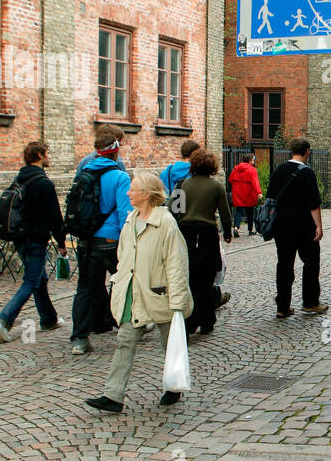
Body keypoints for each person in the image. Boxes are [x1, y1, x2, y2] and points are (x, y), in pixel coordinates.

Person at [84, 172, 192, 413]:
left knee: (169, 344)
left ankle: (173, 387)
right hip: (133, 292)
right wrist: (120, 280)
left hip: (160, 293)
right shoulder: (131, 219)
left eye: (132, 189)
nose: (128, 193)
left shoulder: (165, 222)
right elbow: (123, 254)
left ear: (146, 194)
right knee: (124, 341)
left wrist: (177, 301)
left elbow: (177, 263)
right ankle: (113, 395)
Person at [0, 142, 67, 343]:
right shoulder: (43, 183)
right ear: (41, 156)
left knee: (39, 278)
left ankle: (49, 319)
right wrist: (62, 241)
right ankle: (3, 320)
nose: (49, 157)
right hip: (35, 238)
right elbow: (54, 216)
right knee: (32, 281)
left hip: (19, 237)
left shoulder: (19, 179)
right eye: (48, 153)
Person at [69, 128, 132, 355]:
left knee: (85, 287)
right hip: (110, 240)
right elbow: (126, 214)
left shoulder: (83, 173)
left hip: (86, 240)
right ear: (116, 152)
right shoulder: (120, 177)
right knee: (124, 282)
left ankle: (80, 338)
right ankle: (129, 326)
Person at [267, 137, 325, 318]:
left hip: (281, 226)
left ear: (292, 151)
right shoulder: (307, 173)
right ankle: (310, 302)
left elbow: (270, 197)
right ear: (307, 151)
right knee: (310, 263)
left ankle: (283, 306)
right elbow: (313, 203)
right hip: (303, 226)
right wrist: (319, 226)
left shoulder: (279, 171)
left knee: (284, 264)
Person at [177, 149, 232, 336]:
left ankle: (195, 318)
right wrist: (227, 232)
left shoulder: (183, 184)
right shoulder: (216, 187)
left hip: (187, 233)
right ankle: (206, 320)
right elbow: (225, 213)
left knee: (191, 277)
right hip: (207, 234)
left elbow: (175, 210)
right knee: (207, 278)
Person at [227, 154, 262, 237]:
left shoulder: (236, 169)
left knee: (239, 211)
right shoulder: (252, 170)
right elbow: (255, 182)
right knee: (250, 212)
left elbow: (230, 179)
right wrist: (259, 192)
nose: (254, 161)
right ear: (250, 161)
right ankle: (250, 229)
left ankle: (236, 227)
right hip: (249, 193)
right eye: (253, 160)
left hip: (238, 193)